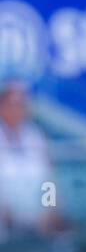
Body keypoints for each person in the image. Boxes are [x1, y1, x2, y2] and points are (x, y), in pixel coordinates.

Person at [0, 80, 56, 238]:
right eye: (12, 104)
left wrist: (49, 210)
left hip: (37, 223)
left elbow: (48, 180)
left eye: (21, 105)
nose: (17, 110)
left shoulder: (35, 136)